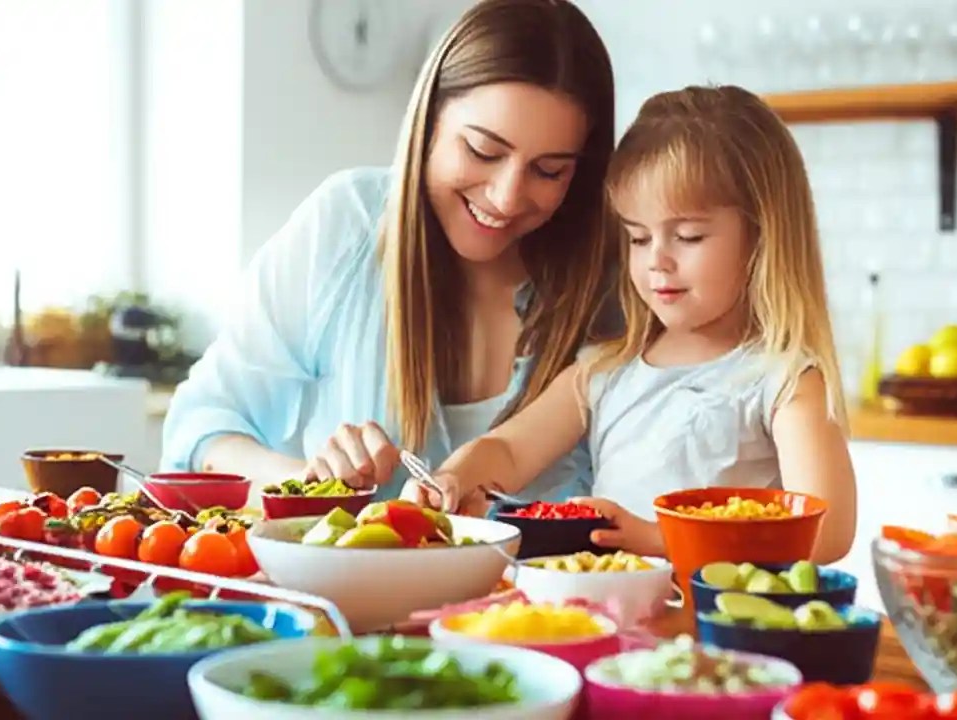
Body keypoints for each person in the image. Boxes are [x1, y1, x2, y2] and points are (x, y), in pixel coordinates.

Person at [160, 0, 620, 502]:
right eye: (483, 152)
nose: (506, 197)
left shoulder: (623, 275)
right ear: (429, 123)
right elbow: (200, 432)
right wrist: (307, 484)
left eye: (549, 170)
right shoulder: (345, 225)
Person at [417, 85, 857, 564]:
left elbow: (825, 532)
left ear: (762, 237)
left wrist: (659, 539)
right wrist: (457, 475)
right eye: (638, 238)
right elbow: (509, 449)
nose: (657, 262)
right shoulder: (605, 372)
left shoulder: (782, 381)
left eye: (688, 236)